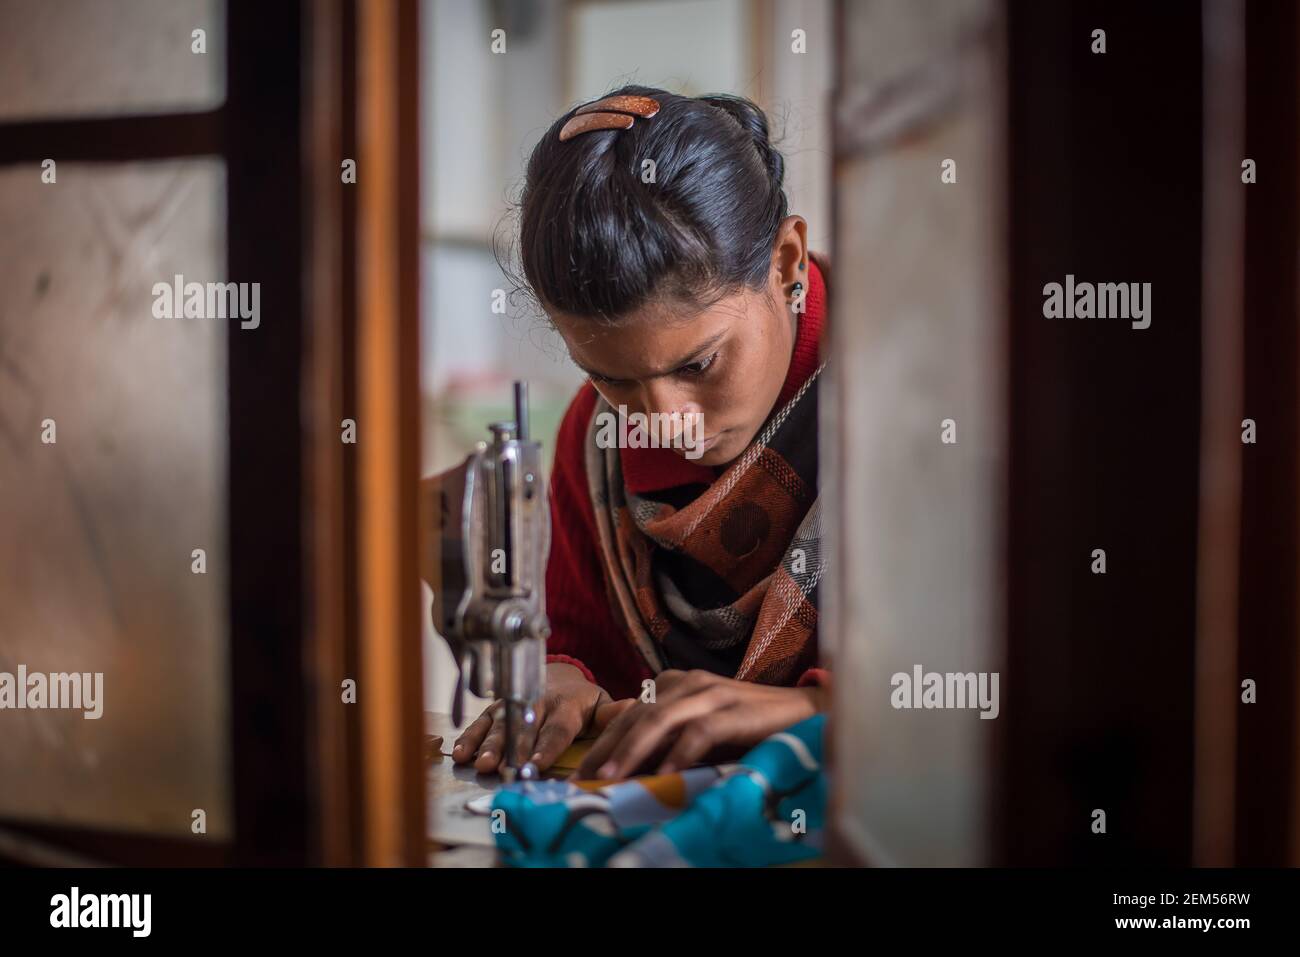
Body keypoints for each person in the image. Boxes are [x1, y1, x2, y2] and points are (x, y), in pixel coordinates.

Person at [452, 85, 830, 781]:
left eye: (699, 363)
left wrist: (808, 711)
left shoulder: (908, 403)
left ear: (785, 262)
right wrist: (559, 677)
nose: (663, 420)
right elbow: (572, 641)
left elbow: (983, 682)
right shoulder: (592, 441)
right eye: (610, 377)